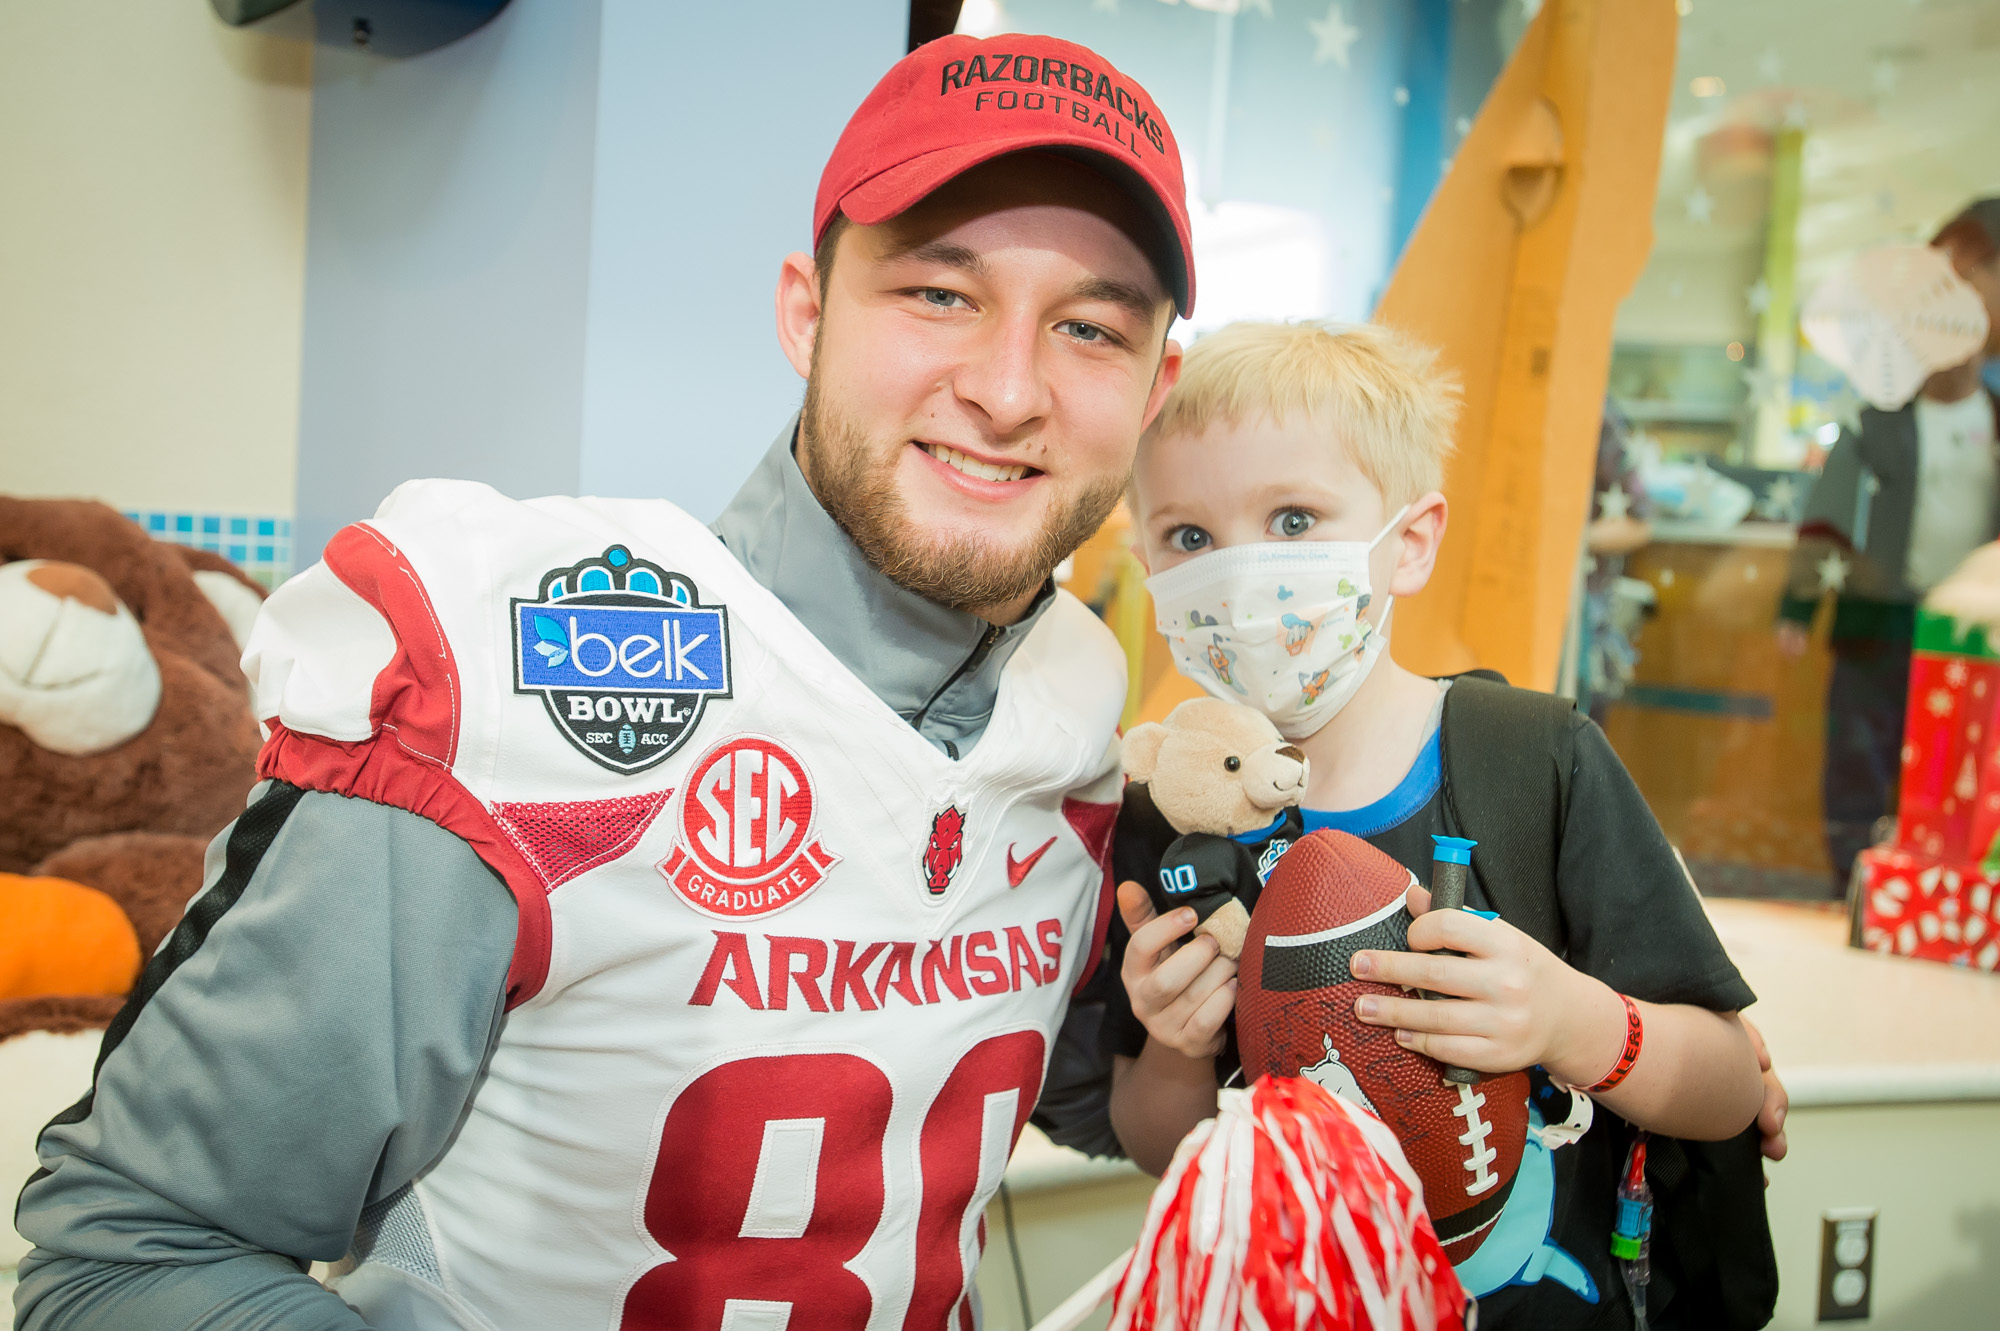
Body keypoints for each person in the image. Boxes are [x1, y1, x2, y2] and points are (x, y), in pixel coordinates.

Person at [15, 34, 1192, 1331]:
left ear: (1154, 390)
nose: (1009, 389)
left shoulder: (1080, 696)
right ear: (806, 312)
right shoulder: (525, 671)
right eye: (938, 295)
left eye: (1090, 327)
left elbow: (1066, 1087)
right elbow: (123, 1256)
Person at [1101, 320, 1775, 1329]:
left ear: (1407, 542)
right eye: (1189, 537)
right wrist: (1167, 1045)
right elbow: (1159, 1139)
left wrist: (1568, 1022)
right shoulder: (1168, 817)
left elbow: (1729, 1089)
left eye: (1291, 519)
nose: (1240, 578)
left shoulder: (1531, 760)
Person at [1778, 199, 2000, 892]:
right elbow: (1829, 512)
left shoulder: (1992, 420)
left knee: (1949, 771)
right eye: (1948, 274)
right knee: (1859, 761)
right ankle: (1853, 888)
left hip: (1966, 633)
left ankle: (1937, 893)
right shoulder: (1878, 418)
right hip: (1878, 620)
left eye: (1980, 272)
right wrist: (1796, 602)